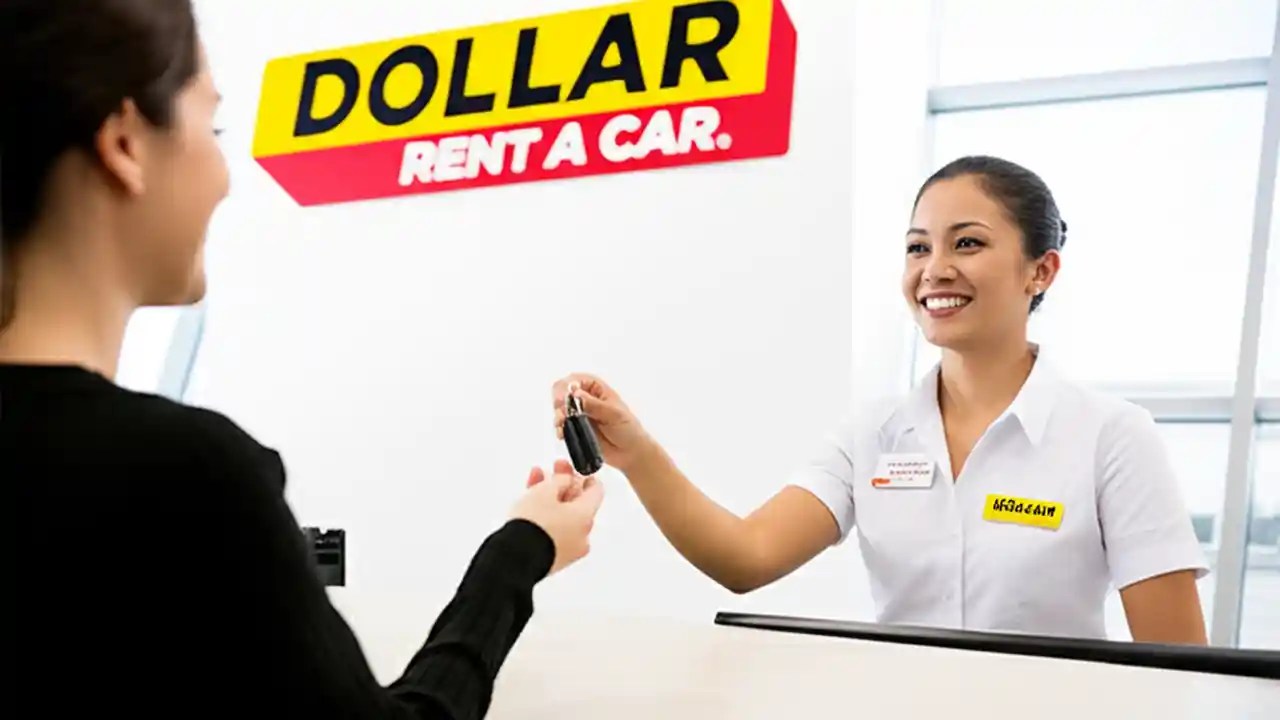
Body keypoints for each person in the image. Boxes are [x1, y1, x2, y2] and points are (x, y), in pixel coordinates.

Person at [1, 0, 603, 716]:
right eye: (213, 125)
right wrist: (521, 552)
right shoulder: (184, 478)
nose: (227, 176)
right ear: (125, 144)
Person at [552, 155, 1210, 644]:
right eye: (917, 247)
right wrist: (635, 453)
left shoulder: (1112, 436)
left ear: (1040, 270)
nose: (935, 269)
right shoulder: (875, 434)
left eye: (968, 242)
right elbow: (745, 556)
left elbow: (1173, 665)